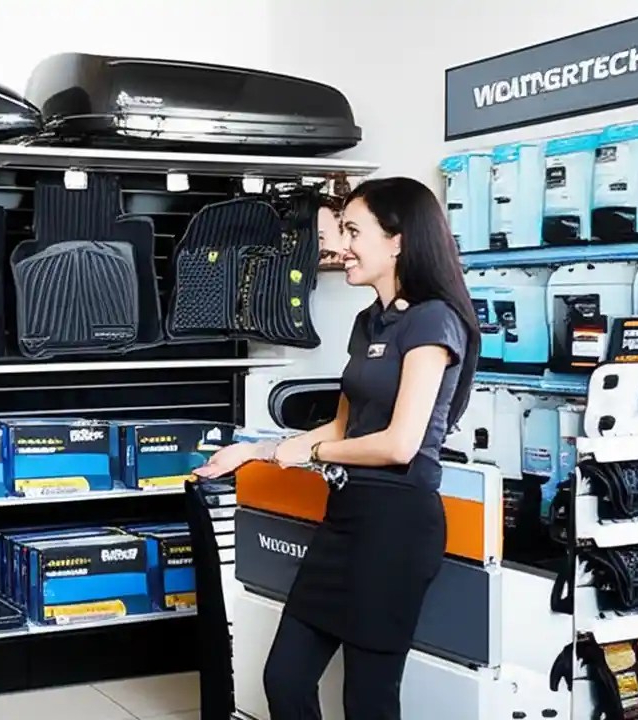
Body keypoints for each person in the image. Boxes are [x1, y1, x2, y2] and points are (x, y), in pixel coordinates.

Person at [195, 177, 479, 719]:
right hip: (347, 518)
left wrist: (312, 456)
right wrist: (256, 452)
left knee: (367, 701)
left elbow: (400, 445)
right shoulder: (368, 322)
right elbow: (341, 427)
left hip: (397, 530)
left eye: (353, 231)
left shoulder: (433, 320)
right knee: (285, 679)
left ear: (397, 240)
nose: (340, 245)